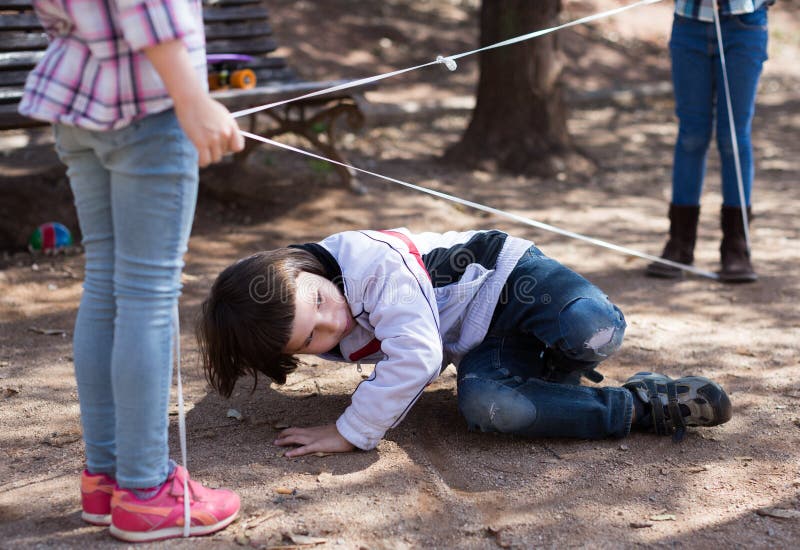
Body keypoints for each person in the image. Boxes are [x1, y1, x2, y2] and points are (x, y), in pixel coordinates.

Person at [19, 0, 244, 542]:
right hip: (149, 103)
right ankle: (145, 492)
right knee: (146, 293)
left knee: (107, 282)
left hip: (78, 102)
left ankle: (108, 481)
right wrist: (192, 97)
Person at [197, 228, 732, 457]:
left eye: (318, 302)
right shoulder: (313, 309)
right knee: (491, 406)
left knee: (595, 329)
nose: (330, 325)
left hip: (514, 282)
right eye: (310, 340)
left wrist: (351, 428)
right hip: (480, 343)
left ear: (303, 266)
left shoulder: (370, 265)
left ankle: (560, 371)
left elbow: (420, 356)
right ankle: (639, 405)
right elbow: (430, 354)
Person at [647, 0, 771, 282]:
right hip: (688, 25)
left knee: (732, 139)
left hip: (745, 24)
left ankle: (736, 248)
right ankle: (679, 243)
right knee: (691, 136)